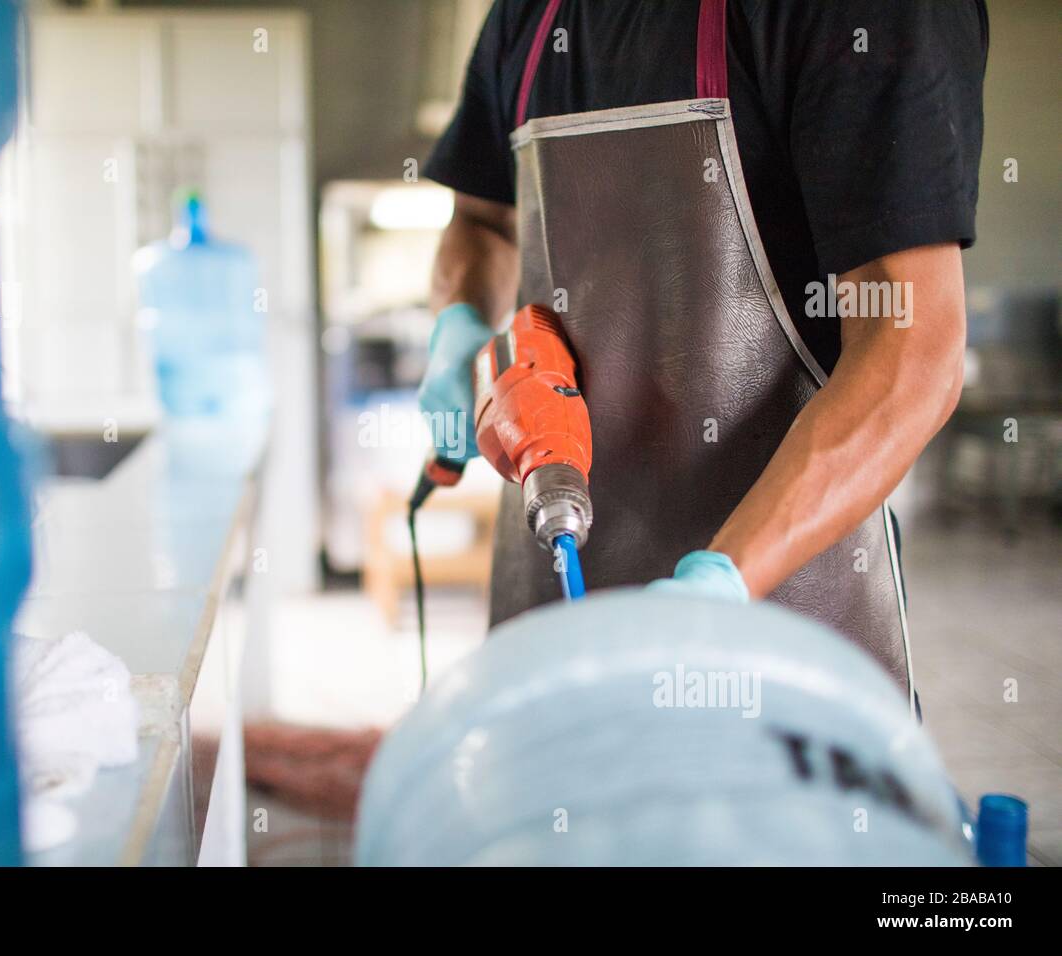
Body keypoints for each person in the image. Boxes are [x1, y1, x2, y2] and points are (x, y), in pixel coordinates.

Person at [418, 0, 988, 705]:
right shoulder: (527, 17)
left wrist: (722, 585)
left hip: (773, 625)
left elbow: (914, 352)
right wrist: (458, 331)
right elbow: (480, 221)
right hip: (545, 599)